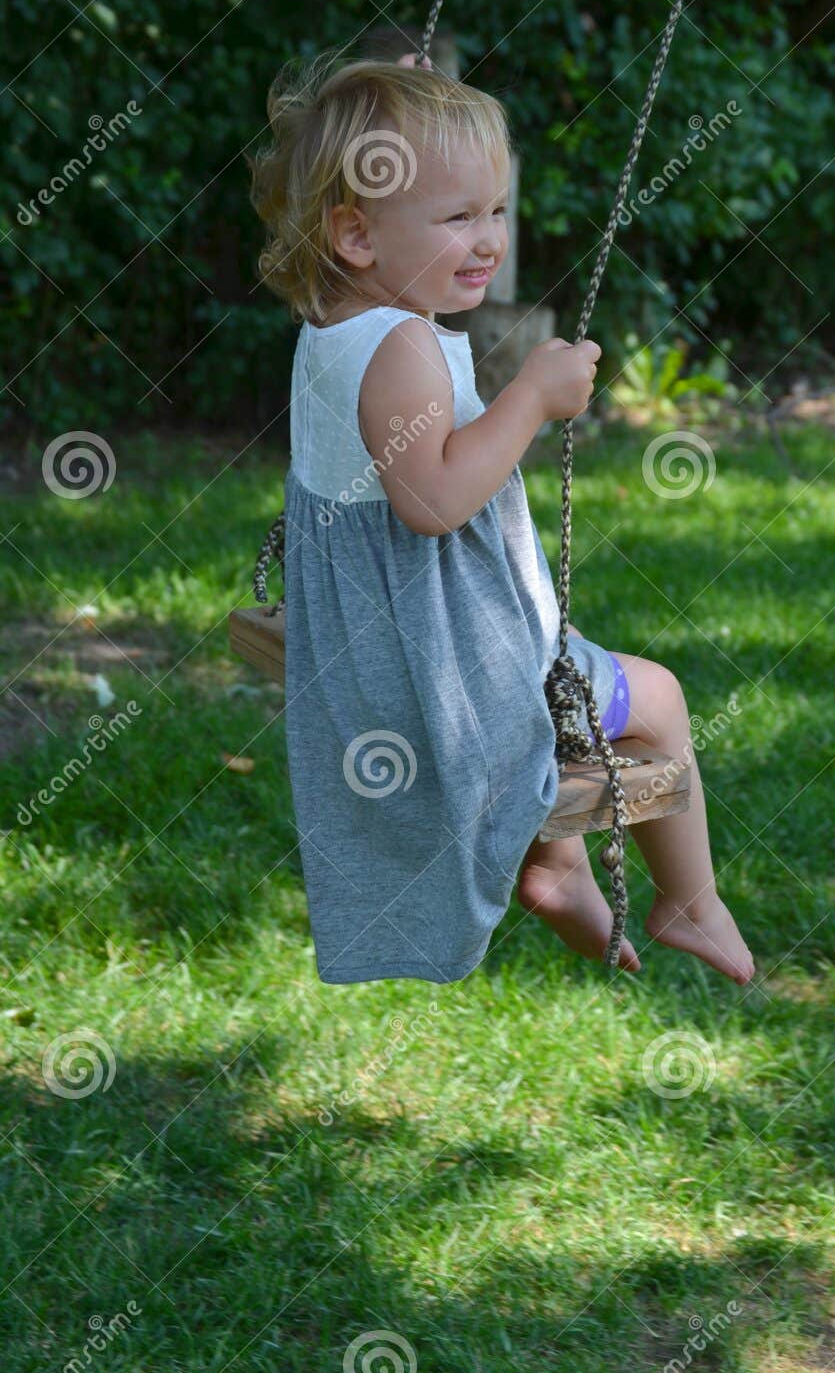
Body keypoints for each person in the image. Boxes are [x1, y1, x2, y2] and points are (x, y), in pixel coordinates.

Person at [249, 50, 754, 988]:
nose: (489, 240)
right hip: (436, 668)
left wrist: (402, 100)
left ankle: (559, 872)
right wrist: (529, 396)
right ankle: (688, 900)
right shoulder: (401, 345)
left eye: (494, 211)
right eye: (457, 217)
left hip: (379, 643)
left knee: (585, 704)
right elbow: (434, 502)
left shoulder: (336, 323)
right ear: (357, 236)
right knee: (657, 700)